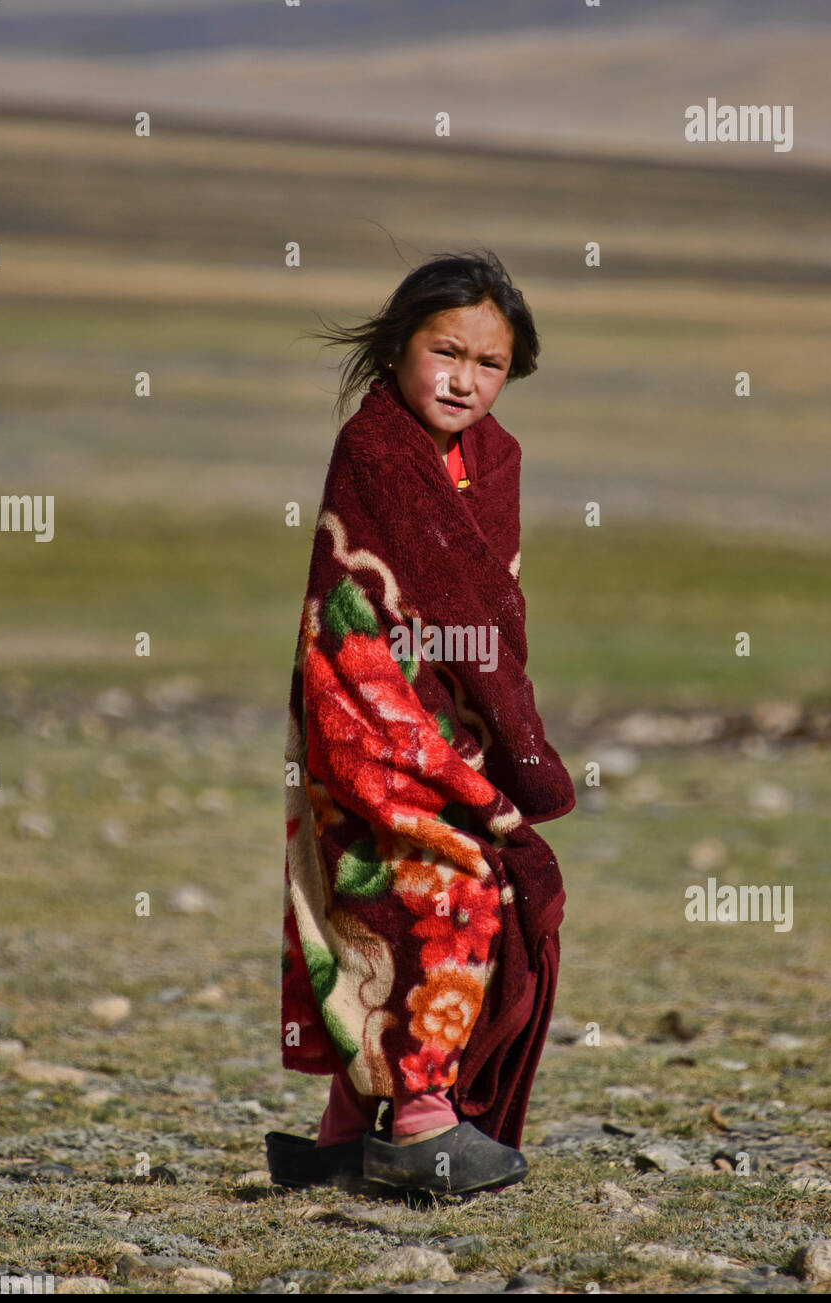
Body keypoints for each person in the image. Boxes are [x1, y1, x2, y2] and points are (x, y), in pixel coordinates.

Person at [269, 250, 575, 1195]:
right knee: (451, 884)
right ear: (401, 346)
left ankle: (344, 1131)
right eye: (447, 351)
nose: (464, 379)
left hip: (446, 716)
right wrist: (525, 752)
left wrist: (499, 730)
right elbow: (424, 602)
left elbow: (489, 614)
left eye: (489, 364)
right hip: (360, 706)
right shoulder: (376, 446)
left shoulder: (495, 460)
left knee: (393, 902)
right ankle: (422, 1119)